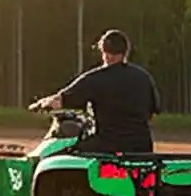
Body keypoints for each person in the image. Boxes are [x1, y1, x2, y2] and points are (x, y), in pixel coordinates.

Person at [28, 29, 161, 153]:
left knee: (66, 154)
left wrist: (41, 104)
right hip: (142, 147)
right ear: (126, 52)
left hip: (106, 145)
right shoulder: (144, 78)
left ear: (104, 52)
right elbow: (154, 112)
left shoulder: (96, 78)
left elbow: (60, 100)